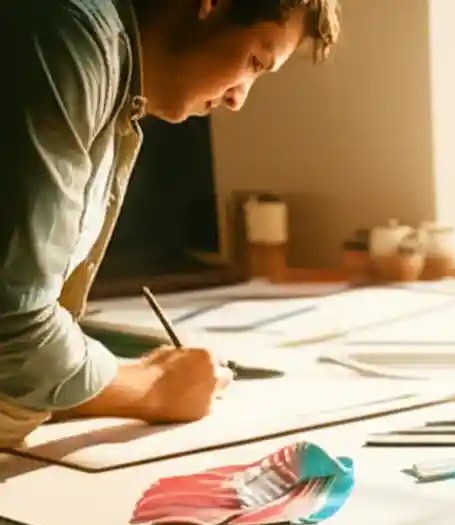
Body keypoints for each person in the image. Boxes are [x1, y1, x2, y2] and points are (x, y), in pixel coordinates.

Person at [0, 0, 341, 448]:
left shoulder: (114, 72)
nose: (239, 99)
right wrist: (149, 389)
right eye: (254, 61)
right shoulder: (70, 37)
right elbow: (16, 330)